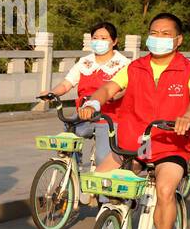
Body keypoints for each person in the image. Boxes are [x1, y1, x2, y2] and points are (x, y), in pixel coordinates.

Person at [80, 13, 190, 229]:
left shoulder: (189, 69)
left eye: (165, 34)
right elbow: (109, 88)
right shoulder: (135, 67)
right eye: (154, 33)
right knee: (101, 180)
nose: (158, 38)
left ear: (178, 40)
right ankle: (114, 225)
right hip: (134, 143)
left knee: (166, 190)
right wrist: (93, 102)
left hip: (171, 144)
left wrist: (188, 115)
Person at [42, 21, 130, 169]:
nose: (99, 42)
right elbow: (66, 83)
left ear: (114, 41)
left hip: (108, 119)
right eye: (95, 38)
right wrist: (52, 93)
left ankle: (102, 190)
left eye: (104, 38)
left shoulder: (124, 64)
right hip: (83, 114)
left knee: (104, 159)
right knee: (67, 146)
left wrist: (118, 95)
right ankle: (72, 178)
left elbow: (128, 88)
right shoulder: (84, 62)